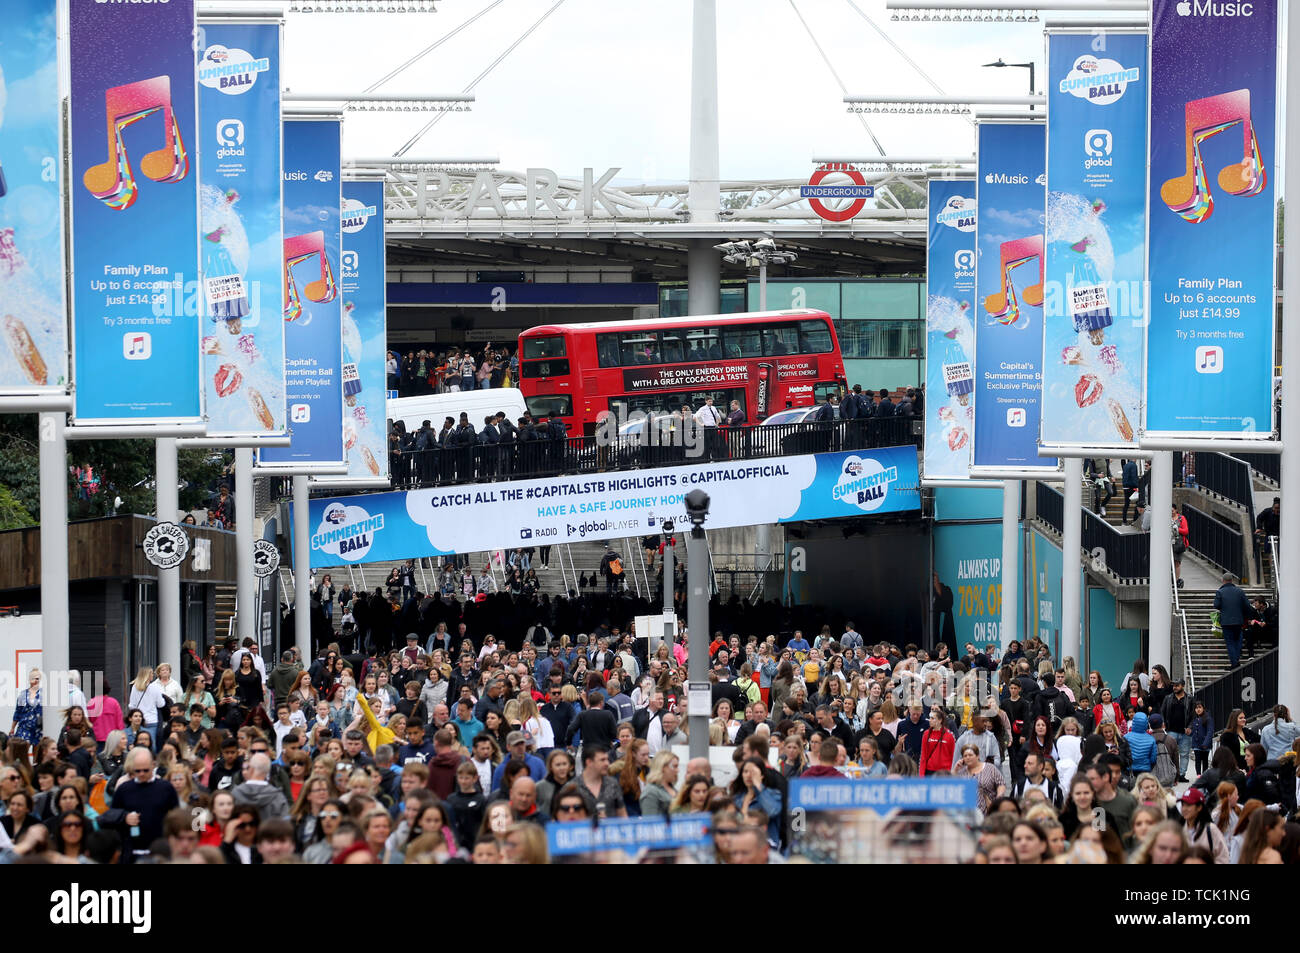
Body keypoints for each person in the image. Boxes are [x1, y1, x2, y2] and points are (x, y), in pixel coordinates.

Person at [111, 748, 181, 862]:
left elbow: (176, 816)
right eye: (138, 771)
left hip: (160, 850)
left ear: (153, 766)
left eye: (145, 770)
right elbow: (112, 815)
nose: (141, 774)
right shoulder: (124, 789)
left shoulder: (166, 788)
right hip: (131, 850)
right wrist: (124, 817)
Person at [1213, 572, 1255, 669]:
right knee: (1238, 640)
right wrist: (1247, 617)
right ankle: (1236, 660)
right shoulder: (1239, 591)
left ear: (1223, 581)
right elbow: (1247, 606)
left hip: (1226, 622)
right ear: (1232, 580)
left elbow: (1216, 605)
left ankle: (1234, 663)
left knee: (1230, 642)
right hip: (1238, 621)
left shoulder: (1220, 592)